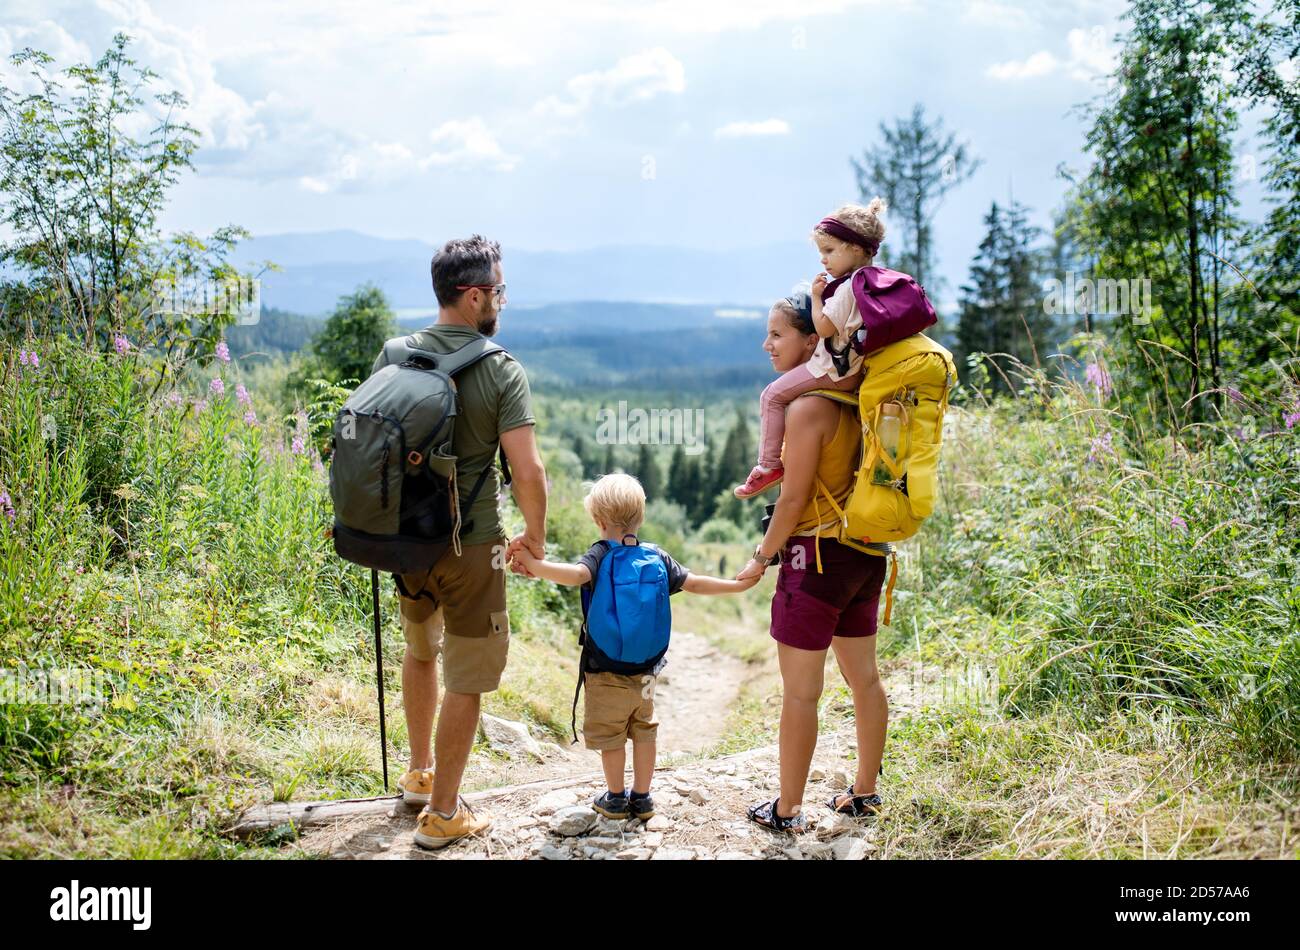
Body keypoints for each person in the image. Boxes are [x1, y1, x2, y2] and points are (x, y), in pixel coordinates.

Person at [375, 235, 549, 850]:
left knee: (421, 650)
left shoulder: (394, 355)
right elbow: (526, 471)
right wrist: (536, 536)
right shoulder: (501, 369)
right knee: (468, 678)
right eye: (498, 290)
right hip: (471, 547)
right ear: (474, 296)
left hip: (403, 546)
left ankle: (420, 774)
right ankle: (444, 814)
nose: (501, 300)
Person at [511, 473, 758, 823]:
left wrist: (535, 565)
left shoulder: (599, 553)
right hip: (646, 669)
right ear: (640, 518)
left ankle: (614, 797)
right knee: (644, 728)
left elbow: (576, 576)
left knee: (611, 734)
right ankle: (642, 798)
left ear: (598, 520)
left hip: (605, 667)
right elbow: (694, 582)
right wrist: (735, 586)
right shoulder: (656, 556)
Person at [735, 293, 891, 833]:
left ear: (812, 341)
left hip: (816, 560)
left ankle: (786, 810)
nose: (768, 344)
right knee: (865, 681)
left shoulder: (805, 410)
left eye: (777, 334)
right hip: (866, 556)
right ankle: (865, 793)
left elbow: (794, 501)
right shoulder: (861, 403)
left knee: (802, 693)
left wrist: (761, 558)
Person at [733, 200, 888, 500]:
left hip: (833, 370)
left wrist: (817, 297)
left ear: (856, 248)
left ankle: (768, 466)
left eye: (829, 251)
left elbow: (825, 327)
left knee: (771, 396)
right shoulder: (871, 282)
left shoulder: (849, 286)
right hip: (853, 370)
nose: (823, 260)